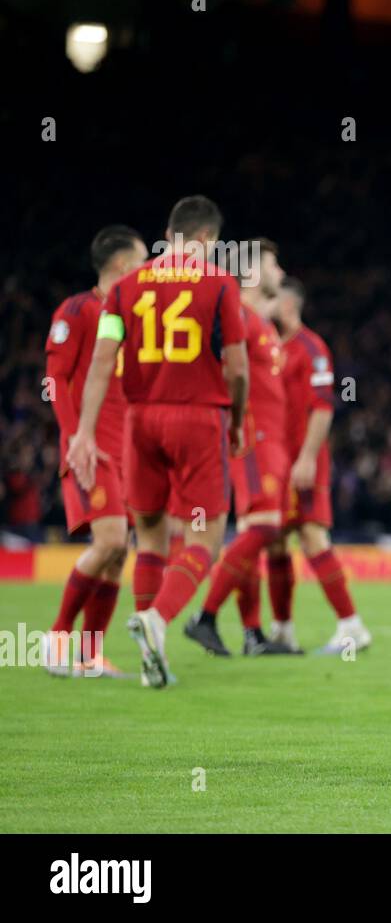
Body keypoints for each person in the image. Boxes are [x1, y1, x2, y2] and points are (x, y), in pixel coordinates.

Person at [68, 195, 249, 688]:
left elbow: (102, 360)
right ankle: (158, 620)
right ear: (208, 240)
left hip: (139, 422)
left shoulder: (125, 287)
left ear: (168, 236)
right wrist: (236, 421)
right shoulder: (219, 283)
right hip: (197, 418)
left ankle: (151, 657)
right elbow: (236, 367)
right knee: (204, 539)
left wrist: (83, 431)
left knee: (148, 535)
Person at [42, 225, 148, 678]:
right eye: (143, 261)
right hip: (93, 448)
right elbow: (56, 380)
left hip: (126, 451)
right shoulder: (79, 309)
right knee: (108, 541)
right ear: (122, 265)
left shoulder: (133, 314)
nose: (148, 270)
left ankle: (89, 655)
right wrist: (75, 438)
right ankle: (57, 637)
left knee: (119, 553)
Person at [185, 237, 298, 656]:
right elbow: (219, 368)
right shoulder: (238, 319)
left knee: (256, 533)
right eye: (274, 265)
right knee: (266, 528)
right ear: (252, 271)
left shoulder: (259, 322)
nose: (280, 273)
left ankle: (252, 635)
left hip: (271, 442)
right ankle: (205, 616)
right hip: (253, 440)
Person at [265, 274, 371, 655]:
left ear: (289, 305)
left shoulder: (312, 348)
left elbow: (323, 408)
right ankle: (282, 630)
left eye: (271, 299)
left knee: (312, 538)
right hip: (275, 463)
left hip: (303, 461)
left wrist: (308, 457)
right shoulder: (272, 347)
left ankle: (351, 625)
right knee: (275, 543)